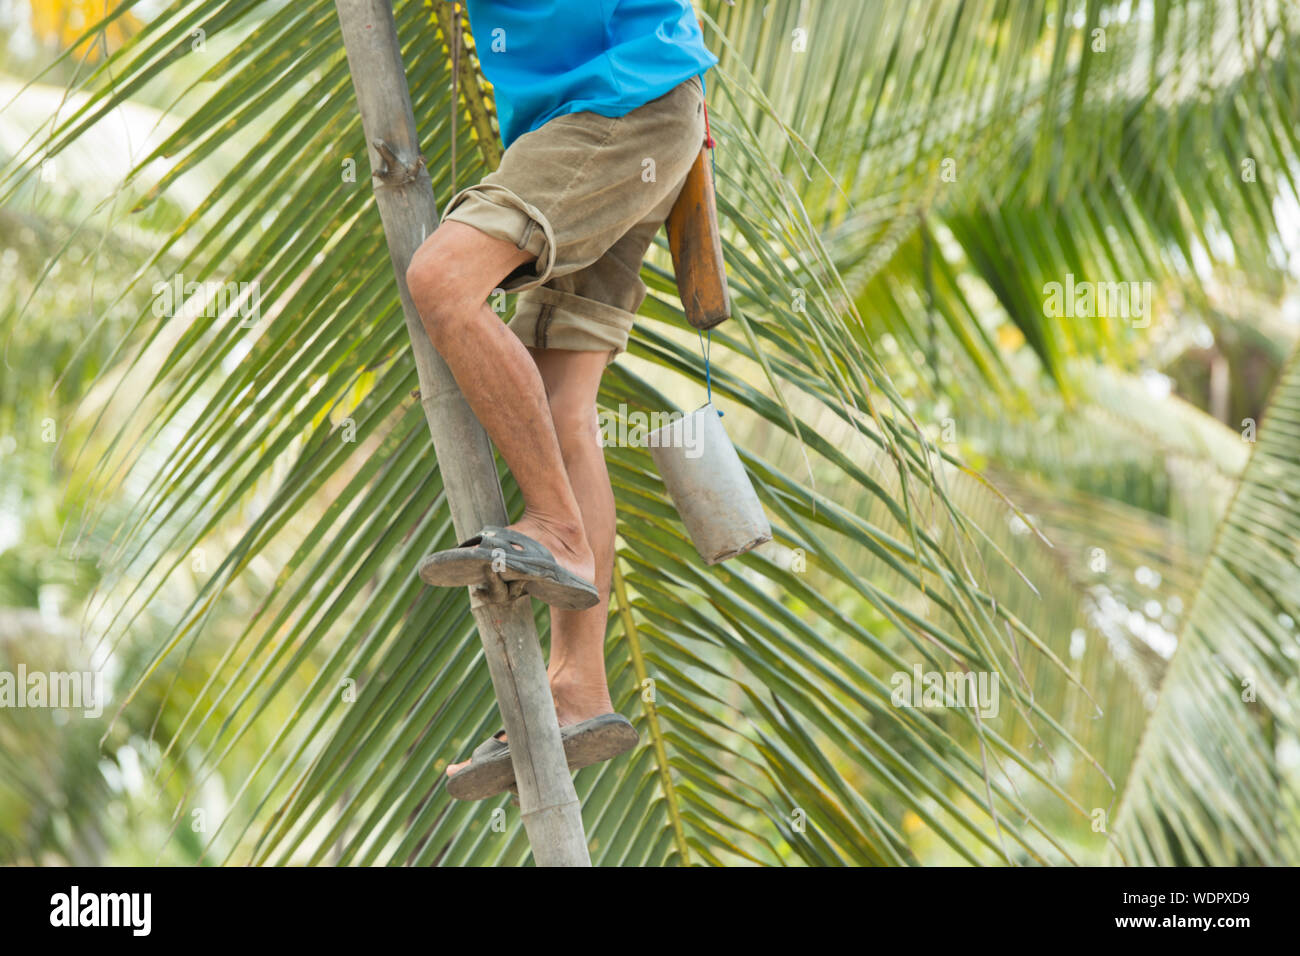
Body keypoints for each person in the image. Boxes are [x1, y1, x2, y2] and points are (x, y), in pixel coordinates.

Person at [405, 0, 717, 799]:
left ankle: (557, 530)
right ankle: (580, 685)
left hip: (618, 109)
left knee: (442, 280)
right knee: (563, 400)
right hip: (615, 114)